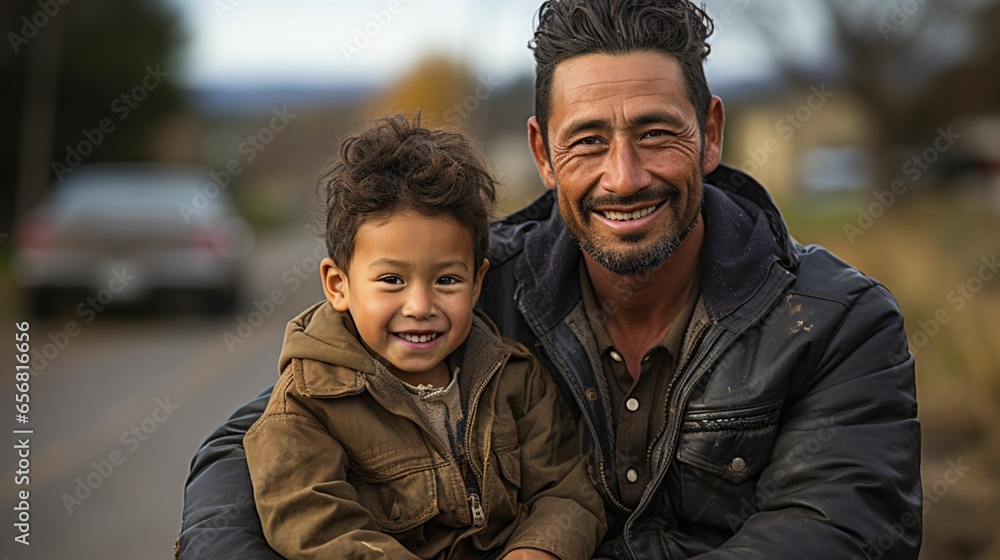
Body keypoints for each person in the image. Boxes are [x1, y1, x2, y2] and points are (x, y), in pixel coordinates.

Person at [177, 1, 922, 558]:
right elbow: (239, 453)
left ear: (712, 134)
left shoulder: (837, 323)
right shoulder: (467, 291)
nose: (622, 177)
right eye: (588, 140)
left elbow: (837, 531)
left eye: (657, 132)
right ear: (541, 151)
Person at [238, 114, 605, 560]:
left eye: (447, 281)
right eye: (392, 279)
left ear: (476, 284)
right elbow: (316, 526)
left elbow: (566, 492)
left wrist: (537, 551)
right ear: (339, 285)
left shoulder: (517, 380)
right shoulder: (309, 405)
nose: (419, 305)